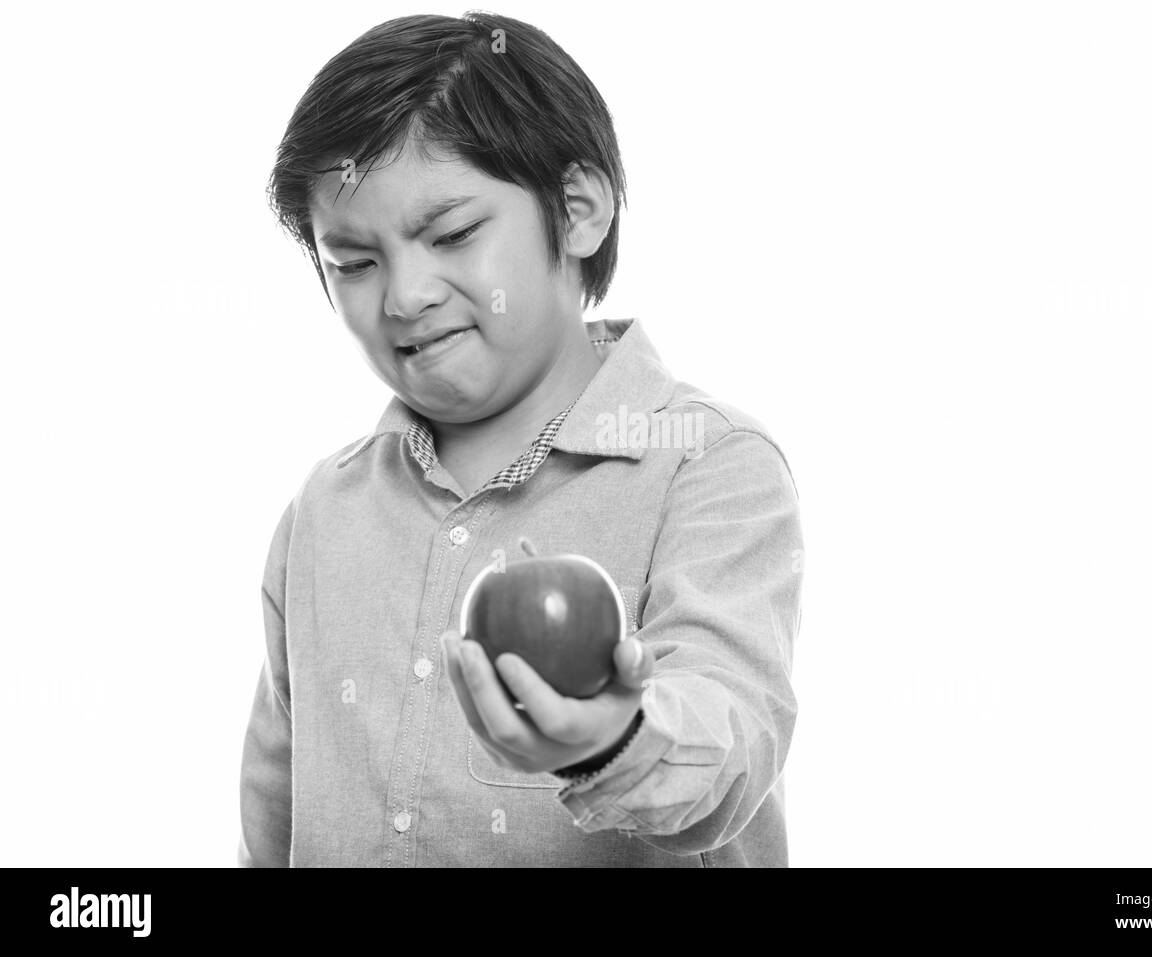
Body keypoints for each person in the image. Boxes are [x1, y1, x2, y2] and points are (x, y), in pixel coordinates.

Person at [239, 11, 804, 868]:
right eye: (353, 261)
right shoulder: (324, 509)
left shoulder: (707, 462)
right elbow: (272, 808)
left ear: (578, 211)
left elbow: (732, 741)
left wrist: (612, 737)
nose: (405, 296)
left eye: (454, 234)